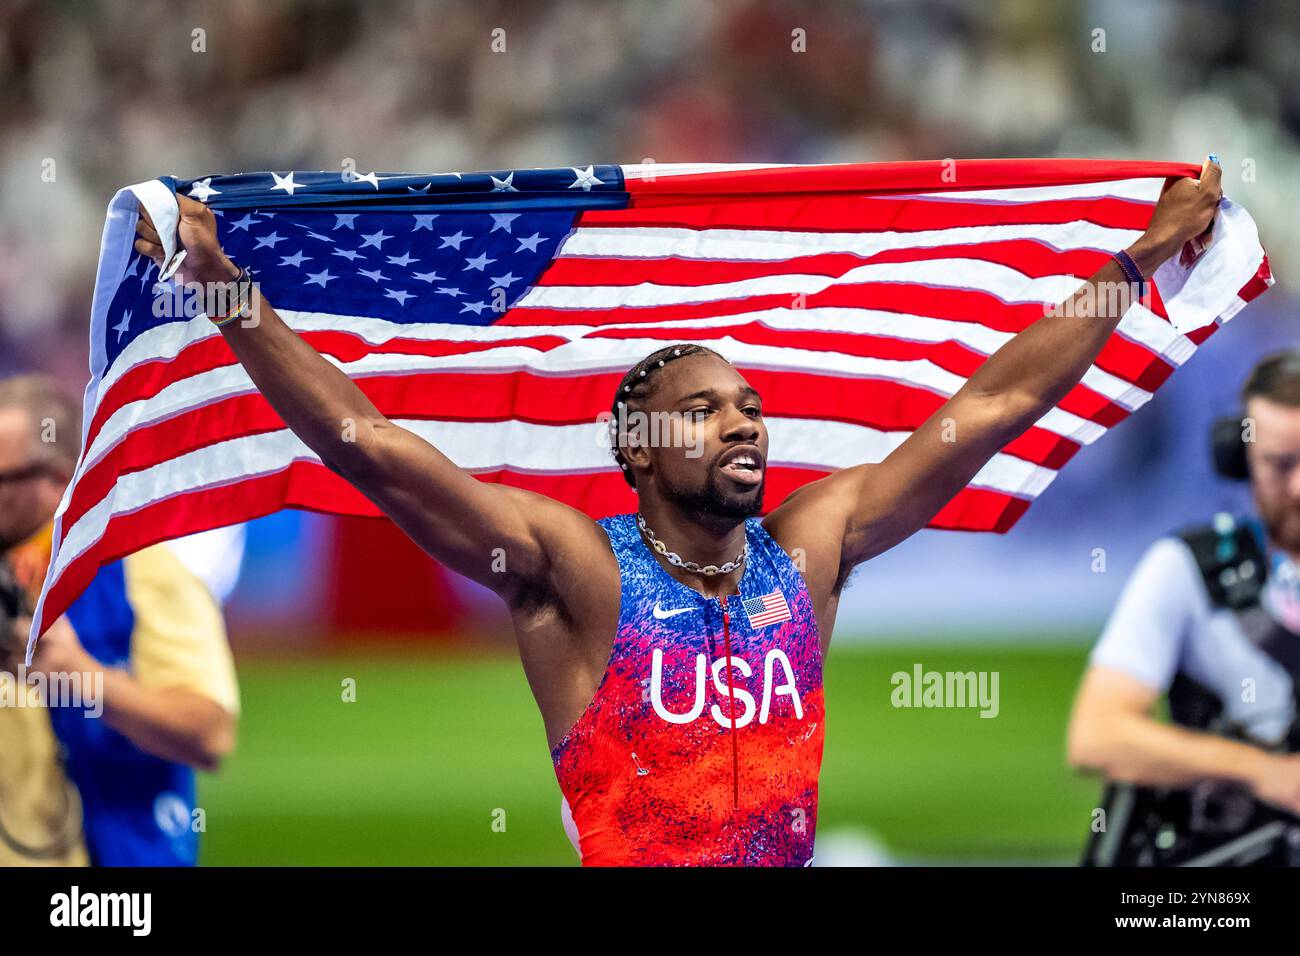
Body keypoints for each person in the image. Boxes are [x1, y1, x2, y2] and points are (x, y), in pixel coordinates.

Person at [128, 158, 1223, 866]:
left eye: (749, 407)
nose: (743, 424)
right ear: (637, 449)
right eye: (701, 412)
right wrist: (228, 290)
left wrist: (1134, 257)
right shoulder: (576, 570)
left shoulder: (811, 550)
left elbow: (996, 401)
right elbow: (373, 447)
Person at [1069, 351, 1300, 866]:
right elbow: (1098, 735)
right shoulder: (1185, 568)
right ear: (1239, 457)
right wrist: (1264, 772)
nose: (1298, 487)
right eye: (1280, 464)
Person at [0, 374, 240, 866]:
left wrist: (77, 676)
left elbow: (209, 735)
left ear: (62, 475)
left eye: (5, 479)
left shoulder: (140, 568)